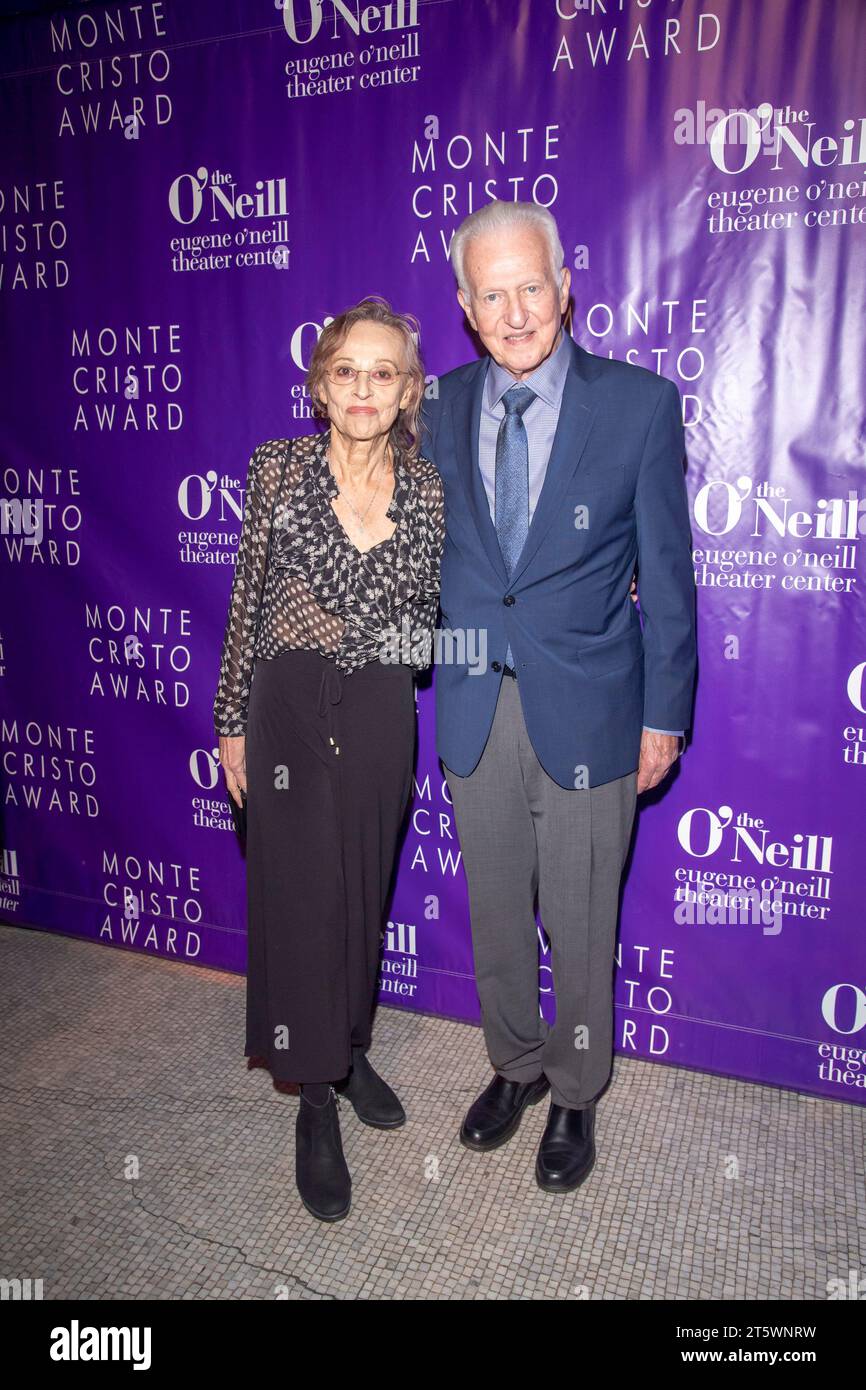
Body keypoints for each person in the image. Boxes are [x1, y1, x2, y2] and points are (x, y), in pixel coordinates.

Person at [422, 201, 696, 1193]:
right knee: (495, 910)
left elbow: (665, 575)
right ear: (463, 306)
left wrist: (662, 712)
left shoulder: (637, 405)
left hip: (591, 706)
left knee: (581, 916)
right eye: (490, 294)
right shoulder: (432, 406)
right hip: (473, 708)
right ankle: (515, 1065)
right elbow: (437, 569)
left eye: (528, 286)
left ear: (563, 284)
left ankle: (575, 1089)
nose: (514, 310)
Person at [213, 297, 444, 1222]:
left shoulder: (427, 489)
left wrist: (368, 598)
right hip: (286, 707)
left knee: (361, 885)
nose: (362, 388)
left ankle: (347, 1052)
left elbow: (419, 631)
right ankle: (314, 1097)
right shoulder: (276, 470)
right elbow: (247, 600)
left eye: (382, 372)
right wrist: (231, 719)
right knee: (304, 895)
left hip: (383, 701)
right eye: (347, 369)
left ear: (407, 391)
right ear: (322, 382)